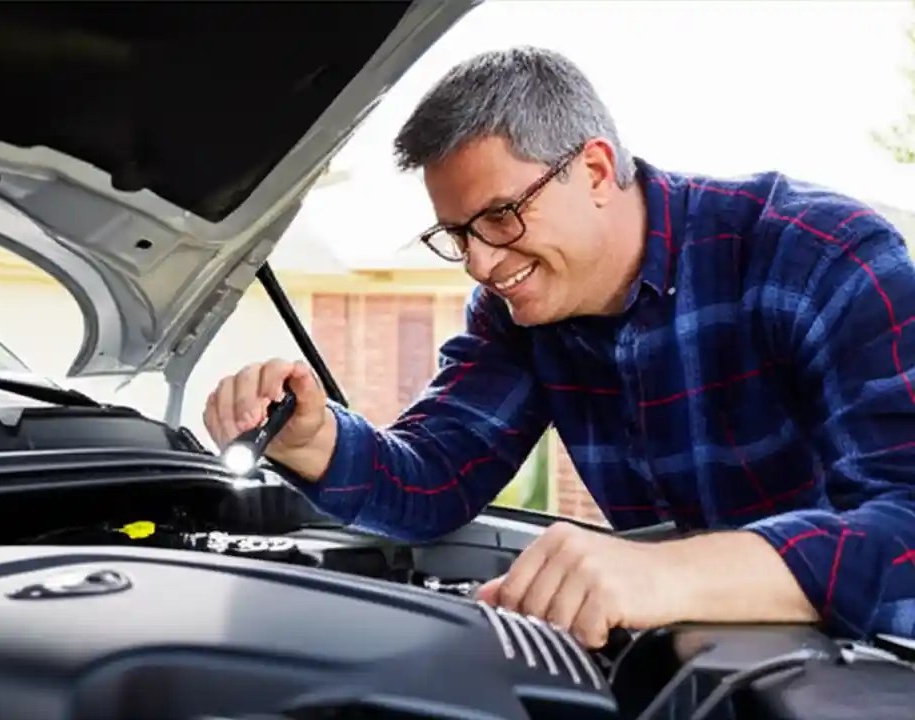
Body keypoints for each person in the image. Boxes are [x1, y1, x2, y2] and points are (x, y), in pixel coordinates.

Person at [203, 46, 915, 649]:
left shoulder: (816, 255)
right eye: (458, 236)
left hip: (868, 664)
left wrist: (666, 574)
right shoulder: (519, 313)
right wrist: (316, 440)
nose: (481, 265)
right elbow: (435, 479)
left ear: (597, 171)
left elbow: (906, 533)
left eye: (501, 216)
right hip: (689, 666)